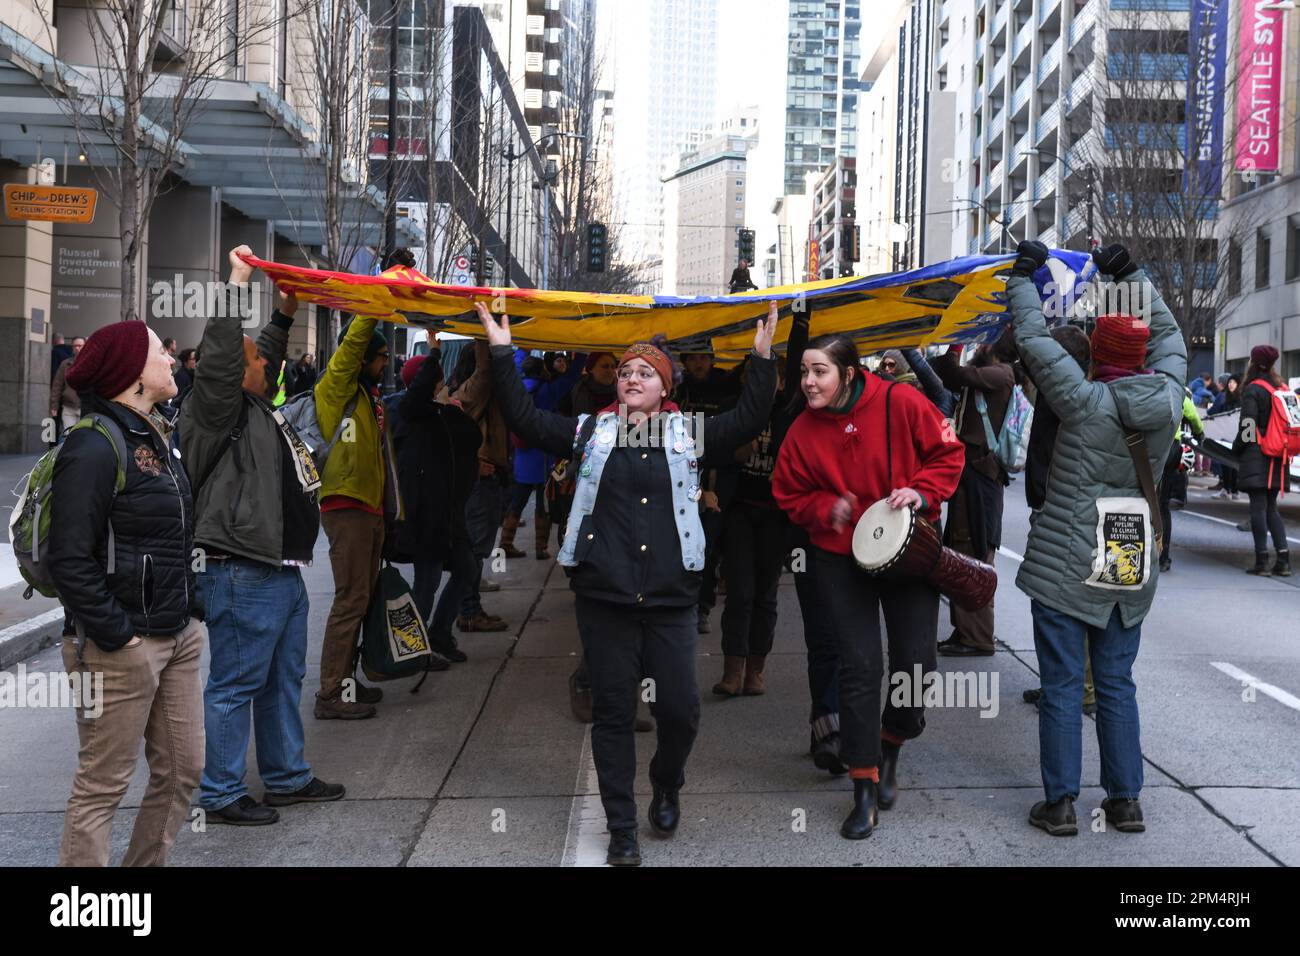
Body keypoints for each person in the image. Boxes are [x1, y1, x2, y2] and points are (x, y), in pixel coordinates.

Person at [478, 300, 778, 867]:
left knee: (682, 710)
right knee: (614, 714)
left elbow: (746, 419)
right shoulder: (589, 431)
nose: (632, 377)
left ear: (665, 389)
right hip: (605, 599)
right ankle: (622, 828)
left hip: (670, 600)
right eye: (624, 371)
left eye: (646, 372)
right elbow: (522, 417)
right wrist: (500, 349)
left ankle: (667, 784)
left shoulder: (687, 434)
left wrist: (761, 359)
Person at [1007, 240, 1185, 838]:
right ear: (1143, 357)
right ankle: (1125, 801)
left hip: (1070, 546)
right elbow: (1170, 335)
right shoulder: (1167, 396)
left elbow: (1032, 342)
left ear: (1097, 356)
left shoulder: (1083, 401)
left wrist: (1023, 275)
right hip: (1127, 540)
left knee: (1061, 680)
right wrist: (1130, 273)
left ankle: (1059, 804)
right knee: (1115, 679)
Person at [772, 331, 965, 839]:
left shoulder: (902, 400)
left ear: (849, 374)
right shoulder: (801, 429)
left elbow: (948, 452)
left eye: (820, 372)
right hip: (839, 556)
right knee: (860, 666)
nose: (809, 382)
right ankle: (863, 786)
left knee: (918, 665)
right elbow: (787, 490)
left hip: (908, 547)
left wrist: (921, 493)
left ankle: (893, 739)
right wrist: (822, 508)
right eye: (805, 372)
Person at [182, 246, 344, 824]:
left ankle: (286, 776)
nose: (264, 363)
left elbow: (259, 356)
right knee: (235, 685)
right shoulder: (214, 409)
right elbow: (230, 354)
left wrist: (282, 314)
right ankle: (222, 793)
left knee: (281, 678)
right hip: (242, 568)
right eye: (253, 358)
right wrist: (236, 281)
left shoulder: (254, 405)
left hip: (279, 568)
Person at [47, 319, 204, 866]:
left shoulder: (157, 433)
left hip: (177, 633)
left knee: (183, 771)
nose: (171, 356)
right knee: (102, 787)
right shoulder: (93, 445)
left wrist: (192, 613)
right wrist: (120, 638)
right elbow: (68, 558)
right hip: (118, 647)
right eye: (161, 349)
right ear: (134, 373)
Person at [713, 309, 809, 700]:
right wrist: (735, 454)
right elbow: (714, 452)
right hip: (739, 511)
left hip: (774, 517)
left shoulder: (789, 412)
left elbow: (797, 351)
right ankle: (732, 671)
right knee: (740, 591)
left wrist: (801, 314)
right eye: (759, 375)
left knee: (766, 593)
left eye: (775, 376)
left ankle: (756, 670)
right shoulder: (738, 416)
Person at [315, 313, 397, 718]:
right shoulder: (337, 387)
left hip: (367, 507)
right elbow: (350, 346)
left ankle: (345, 683)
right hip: (346, 505)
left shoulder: (367, 395)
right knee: (350, 600)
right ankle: (330, 693)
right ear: (362, 357)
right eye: (380, 356)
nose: (386, 364)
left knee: (361, 599)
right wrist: (374, 300)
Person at [1019, 325, 1097, 716]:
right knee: (1066, 604)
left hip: (1059, 510)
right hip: (1062, 507)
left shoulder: (1067, 395)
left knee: (1060, 604)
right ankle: (1067, 685)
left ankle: (1075, 689)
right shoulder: (1072, 392)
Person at [391, 353, 481, 665]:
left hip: (448, 515)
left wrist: (450, 411)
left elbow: (471, 439)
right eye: (438, 378)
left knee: (466, 569)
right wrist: (434, 354)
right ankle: (413, 649)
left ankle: (439, 634)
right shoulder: (411, 412)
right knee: (426, 582)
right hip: (425, 517)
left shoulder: (438, 414)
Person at [931, 336, 1017, 656]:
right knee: (961, 548)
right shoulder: (989, 374)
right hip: (972, 477)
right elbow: (944, 372)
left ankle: (977, 636)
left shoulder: (1001, 374)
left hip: (981, 478)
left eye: (985, 340)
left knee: (974, 553)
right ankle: (965, 629)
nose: (980, 344)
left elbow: (952, 373)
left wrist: (955, 341)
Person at [438, 340, 513, 633]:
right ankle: (468, 611)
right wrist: (483, 333)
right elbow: (484, 371)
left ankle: (470, 607)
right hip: (479, 480)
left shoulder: (461, 389)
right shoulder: (473, 390)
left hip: (482, 478)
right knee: (474, 551)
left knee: (475, 549)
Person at [676, 350, 743, 633]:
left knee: (713, 543)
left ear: (713, 358)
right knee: (690, 542)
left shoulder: (728, 385)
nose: (699, 363)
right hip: (686, 474)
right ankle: (690, 604)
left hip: (723, 475)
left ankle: (702, 606)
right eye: (693, 358)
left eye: (704, 357)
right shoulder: (679, 389)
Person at [502, 351, 582, 560]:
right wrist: (582, 352)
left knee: (517, 500)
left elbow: (516, 361)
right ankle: (541, 548)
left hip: (522, 456)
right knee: (543, 502)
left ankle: (505, 543)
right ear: (542, 371)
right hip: (543, 454)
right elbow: (571, 377)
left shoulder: (517, 389)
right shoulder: (547, 391)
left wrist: (522, 346)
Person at [1235, 345, 1292, 576]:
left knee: (1258, 508)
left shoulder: (1253, 390)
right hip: (1280, 453)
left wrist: (1237, 447)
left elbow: (1248, 426)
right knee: (1272, 509)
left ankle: (1262, 561)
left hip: (1257, 454)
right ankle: (1283, 560)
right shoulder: (1280, 387)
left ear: (1253, 362)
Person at [1158, 392, 1203, 572]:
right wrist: (1199, 434)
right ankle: (1164, 556)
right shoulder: (1177, 388)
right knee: (1162, 505)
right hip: (1172, 448)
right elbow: (1193, 416)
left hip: (1148, 445)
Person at [49, 336, 86, 438]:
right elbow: (57, 386)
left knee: (83, 437)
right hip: (68, 407)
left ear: (85, 346)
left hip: (86, 407)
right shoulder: (65, 364)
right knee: (68, 437)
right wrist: (54, 406)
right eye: (75, 346)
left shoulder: (91, 363)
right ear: (72, 348)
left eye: (80, 346)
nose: (77, 348)